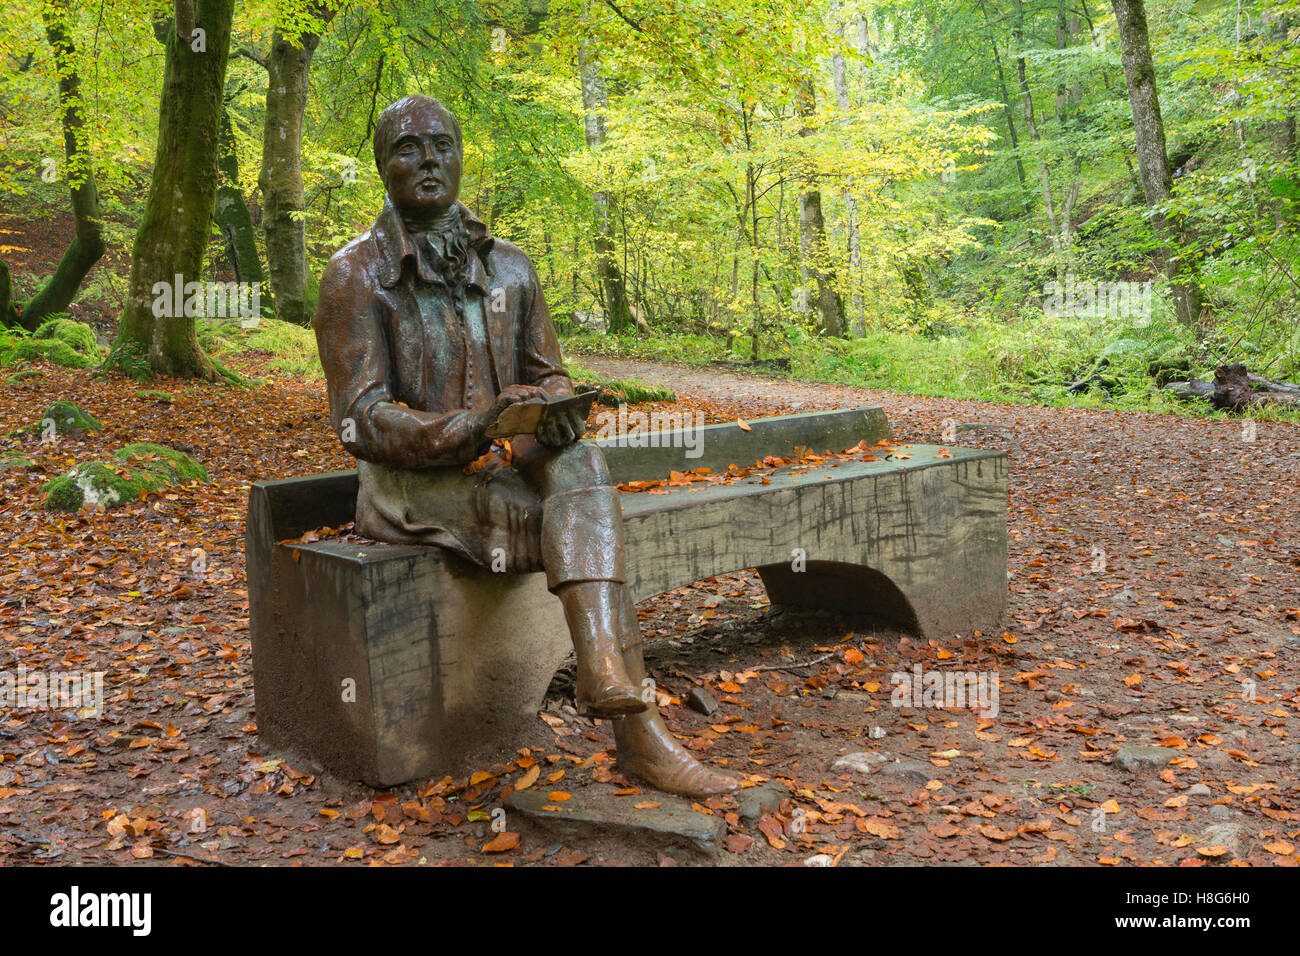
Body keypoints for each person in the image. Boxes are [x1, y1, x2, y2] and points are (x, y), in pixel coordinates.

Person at [313, 94, 736, 797]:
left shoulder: (511, 266)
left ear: (459, 156)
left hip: (512, 467)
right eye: (407, 148)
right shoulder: (355, 276)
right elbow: (360, 419)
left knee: (582, 461)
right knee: (586, 513)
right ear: (382, 165)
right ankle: (640, 735)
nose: (427, 161)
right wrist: (467, 429)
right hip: (412, 490)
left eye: (441, 145)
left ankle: (603, 670)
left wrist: (553, 410)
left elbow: (548, 374)